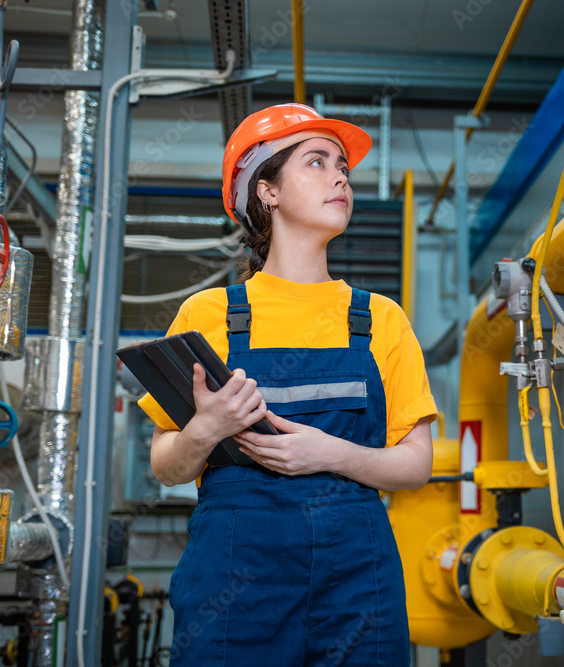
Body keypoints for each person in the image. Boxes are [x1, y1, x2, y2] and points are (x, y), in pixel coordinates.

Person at [138, 103, 436, 666]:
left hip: (357, 581)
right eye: (317, 162)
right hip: (235, 579)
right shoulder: (212, 314)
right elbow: (167, 467)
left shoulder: (379, 319)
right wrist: (205, 430)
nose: (341, 177)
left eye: (343, 166)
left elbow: (416, 465)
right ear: (267, 190)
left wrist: (331, 453)